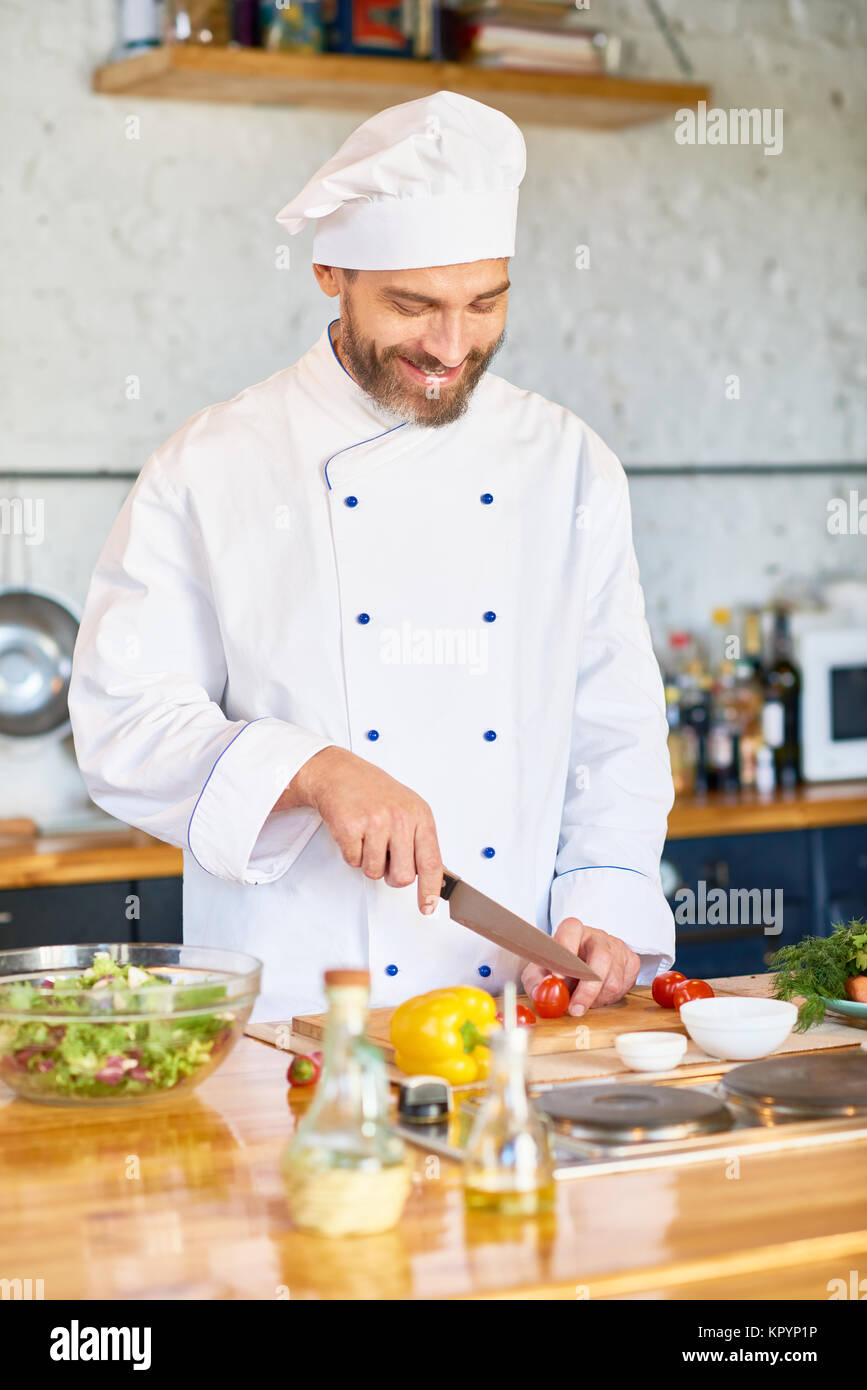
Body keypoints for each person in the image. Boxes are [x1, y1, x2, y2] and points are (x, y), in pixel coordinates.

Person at [69, 91, 675, 1022]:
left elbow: (615, 728)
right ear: (328, 273)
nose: (449, 346)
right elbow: (122, 727)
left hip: (522, 997)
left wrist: (601, 904)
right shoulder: (214, 463)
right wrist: (309, 769)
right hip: (299, 1003)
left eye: (484, 302)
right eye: (412, 305)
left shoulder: (566, 462)